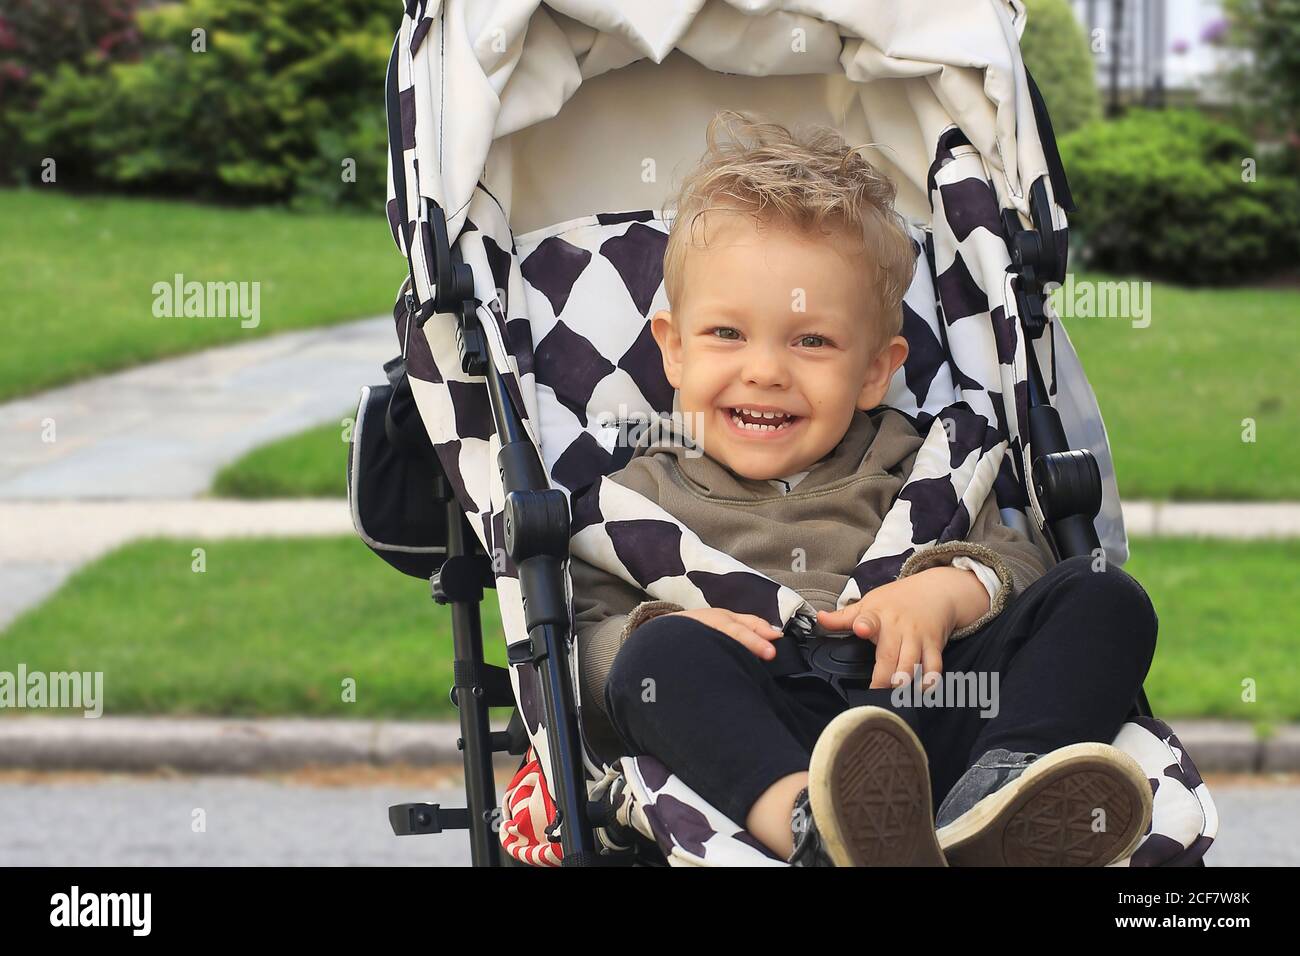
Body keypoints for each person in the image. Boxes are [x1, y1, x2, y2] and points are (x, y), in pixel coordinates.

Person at [570, 109, 1157, 867]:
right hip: (765, 733)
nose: (766, 370)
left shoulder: (922, 465)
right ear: (673, 350)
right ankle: (820, 833)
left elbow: (1017, 559)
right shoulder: (635, 504)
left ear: (878, 369)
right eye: (727, 335)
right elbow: (583, 653)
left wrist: (943, 593)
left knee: (1104, 596)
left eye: (811, 340)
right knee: (656, 663)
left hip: (935, 703)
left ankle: (999, 798)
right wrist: (651, 634)